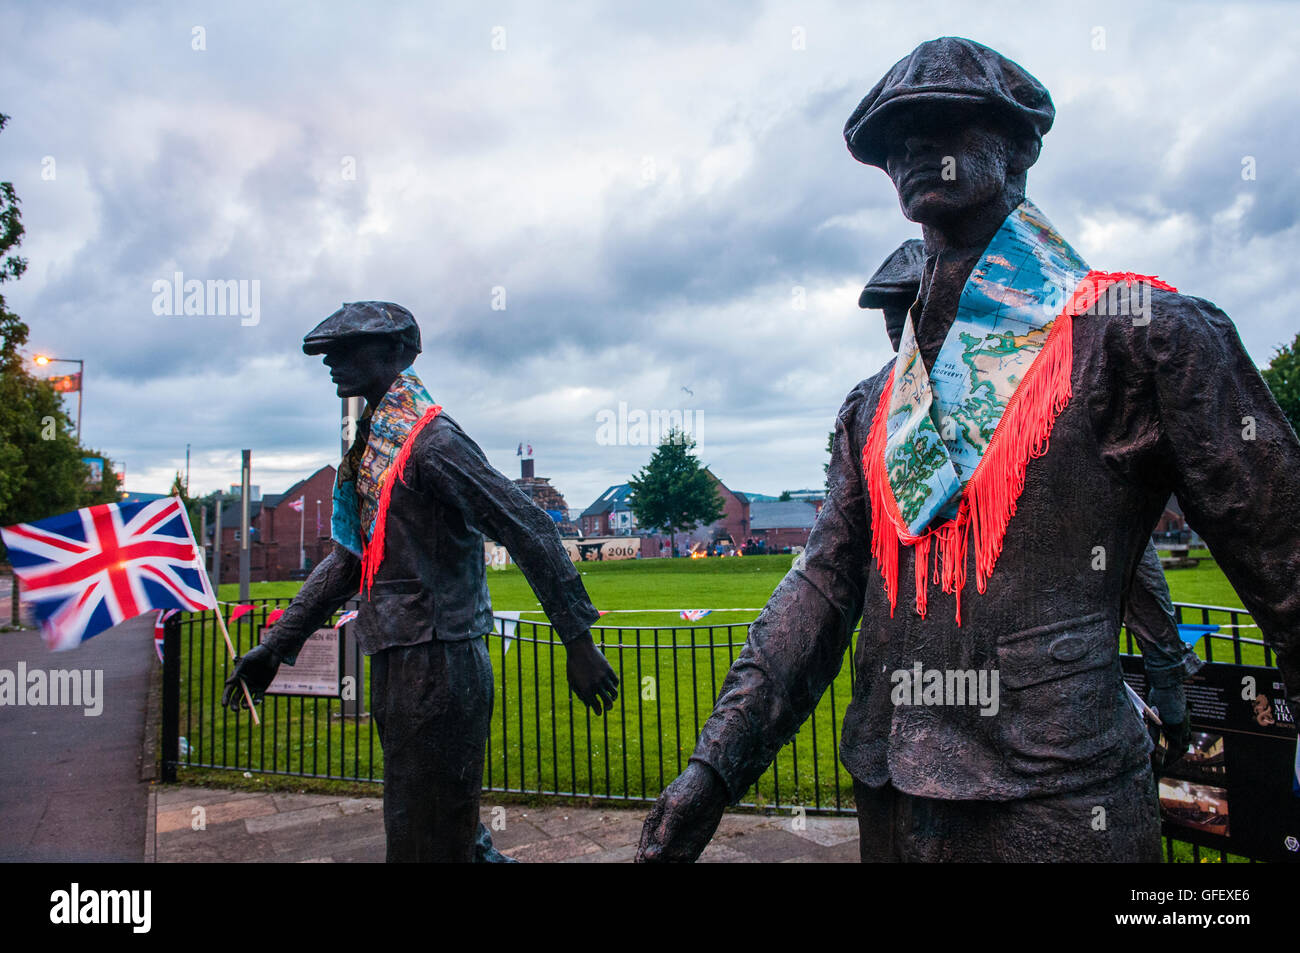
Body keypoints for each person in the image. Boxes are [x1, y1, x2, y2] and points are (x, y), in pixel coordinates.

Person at [638, 37, 1300, 863]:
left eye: (938, 122)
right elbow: (818, 589)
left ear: (1019, 144)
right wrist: (713, 767)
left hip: (1055, 803)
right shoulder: (877, 404)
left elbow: (1288, 560)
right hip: (892, 798)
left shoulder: (1140, 337)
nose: (911, 149)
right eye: (891, 140)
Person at [223, 302, 618, 862]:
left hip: (439, 664)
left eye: (347, 349)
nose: (332, 361)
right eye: (329, 352)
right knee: (444, 837)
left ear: (395, 353)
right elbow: (348, 562)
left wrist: (577, 642)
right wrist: (273, 647)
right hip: (400, 660)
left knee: (425, 841)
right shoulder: (376, 448)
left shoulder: (432, 445)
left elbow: (528, 525)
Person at [863, 239, 1204, 769]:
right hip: (911, 731)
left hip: (1041, 730)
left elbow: (1119, 554)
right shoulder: (880, 416)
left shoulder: (1033, 401)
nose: (896, 327)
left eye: (905, 307)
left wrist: (1165, 673)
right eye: (888, 312)